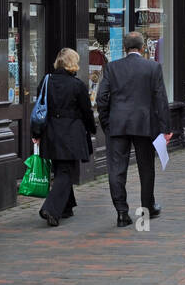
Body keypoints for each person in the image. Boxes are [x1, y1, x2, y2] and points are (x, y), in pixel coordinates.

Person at [96, 30, 170, 227]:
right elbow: (161, 100)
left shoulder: (112, 68)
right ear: (143, 47)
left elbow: (101, 98)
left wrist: (107, 123)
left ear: (124, 48)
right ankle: (147, 207)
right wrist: (165, 128)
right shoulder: (153, 67)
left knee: (116, 169)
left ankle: (122, 212)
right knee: (146, 168)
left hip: (117, 125)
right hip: (145, 125)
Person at [35, 47, 96, 227]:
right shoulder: (77, 85)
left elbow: (40, 108)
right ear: (72, 63)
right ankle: (51, 208)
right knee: (66, 172)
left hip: (51, 132)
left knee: (60, 169)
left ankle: (67, 206)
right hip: (71, 133)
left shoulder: (46, 81)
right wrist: (92, 128)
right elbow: (87, 111)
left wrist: (36, 133)